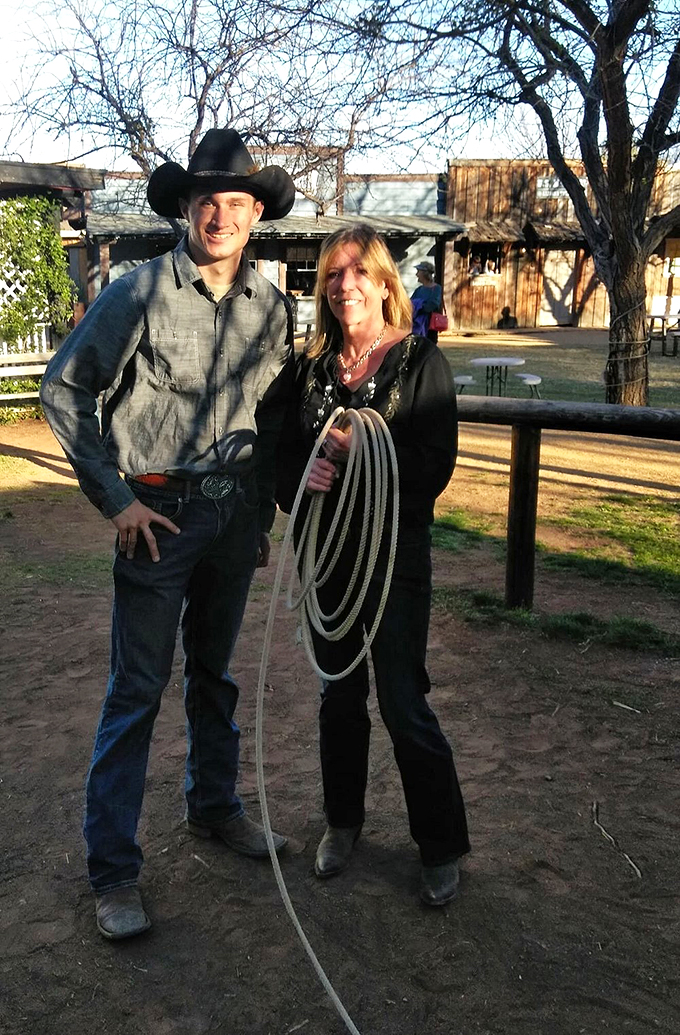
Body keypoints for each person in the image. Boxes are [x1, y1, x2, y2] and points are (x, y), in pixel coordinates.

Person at [40, 128, 296, 940]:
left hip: (231, 517)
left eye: (237, 202)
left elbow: (268, 419)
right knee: (137, 689)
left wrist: (258, 515)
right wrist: (115, 500)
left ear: (256, 213)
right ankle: (114, 870)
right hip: (155, 515)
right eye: (208, 201)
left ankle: (214, 807)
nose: (222, 216)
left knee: (215, 675)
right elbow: (64, 388)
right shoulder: (139, 292)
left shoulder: (272, 309)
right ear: (187, 207)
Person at [276, 225, 470, 907]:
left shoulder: (420, 363)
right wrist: (303, 474)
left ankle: (440, 844)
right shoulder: (309, 369)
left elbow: (434, 466)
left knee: (401, 699)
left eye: (358, 271)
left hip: (393, 556)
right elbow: (283, 453)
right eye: (333, 273)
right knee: (338, 695)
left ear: (385, 282)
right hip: (327, 554)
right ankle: (343, 821)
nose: (345, 284)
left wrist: (364, 445)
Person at [410, 260, 443, 343]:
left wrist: (420, 307)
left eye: (418, 271)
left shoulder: (436, 288)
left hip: (430, 324)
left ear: (425, 273)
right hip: (417, 324)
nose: (416, 274)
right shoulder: (419, 290)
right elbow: (410, 303)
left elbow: (434, 303)